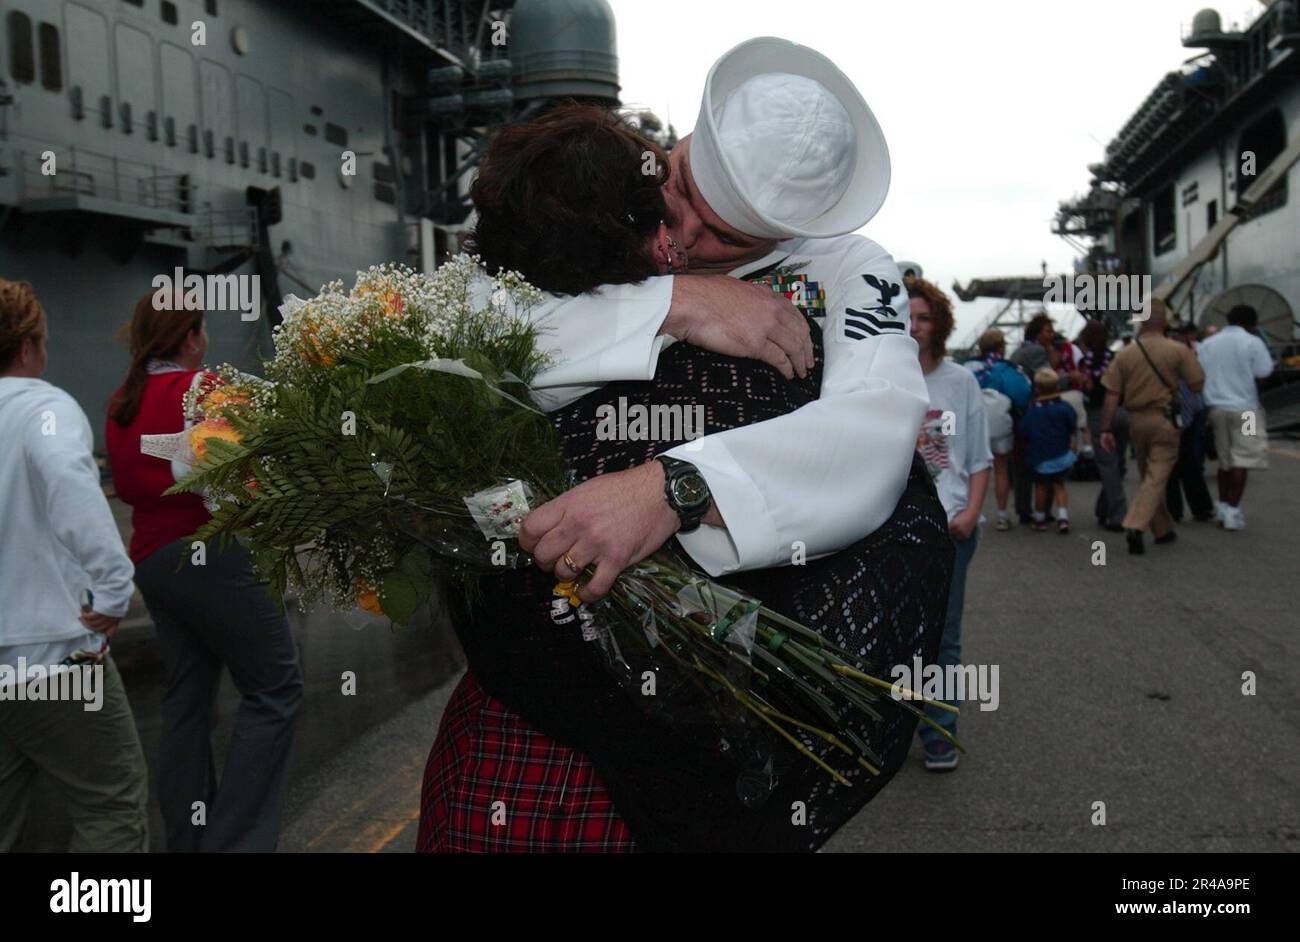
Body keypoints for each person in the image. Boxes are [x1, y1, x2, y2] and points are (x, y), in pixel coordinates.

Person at [419, 43, 949, 853]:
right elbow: (458, 337)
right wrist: (675, 305)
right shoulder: (599, 188)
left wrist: (672, 488)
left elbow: (872, 428)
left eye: (724, 235)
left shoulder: (844, 271)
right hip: (530, 683)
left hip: (703, 701)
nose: (682, 235)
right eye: (678, 189)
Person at [105, 291, 304, 852]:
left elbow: (130, 482)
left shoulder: (122, 401)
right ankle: (236, 843)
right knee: (275, 688)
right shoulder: (205, 389)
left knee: (186, 702)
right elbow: (243, 473)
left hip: (152, 559)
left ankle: (189, 840)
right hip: (210, 554)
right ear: (190, 336)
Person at [0, 279, 149, 852]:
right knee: (109, 802)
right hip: (51, 653)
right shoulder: (44, 406)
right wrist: (113, 592)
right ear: (28, 347)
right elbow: (68, 481)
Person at [909, 277, 991, 771]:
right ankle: (889, 731)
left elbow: (979, 458)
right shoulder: (883, 376)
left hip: (951, 527)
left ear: (939, 324)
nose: (914, 327)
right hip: (893, 528)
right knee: (891, 631)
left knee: (944, 637)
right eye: (907, 317)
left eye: (923, 318)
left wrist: (971, 513)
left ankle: (940, 730)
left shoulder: (960, 381)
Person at [1098, 298, 1205, 554]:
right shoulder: (1177, 350)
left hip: (1136, 421)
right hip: (1165, 419)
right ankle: (1135, 525)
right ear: (1165, 321)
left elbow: (1112, 395)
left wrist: (1105, 429)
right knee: (1157, 476)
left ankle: (1163, 529)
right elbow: (1197, 385)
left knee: (1150, 476)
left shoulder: (1125, 354)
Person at [1198, 304, 1273, 531]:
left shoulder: (1208, 344)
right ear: (1251, 323)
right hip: (1247, 411)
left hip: (1217, 410)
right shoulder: (1253, 342)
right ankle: (1233, 510)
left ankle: (1221, 505)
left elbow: (1199, 373)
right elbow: (1264, 372)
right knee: (1244, 458)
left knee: (1224, 460)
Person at [965, 327, 1030, 530]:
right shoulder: (1010, 369)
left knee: (969, 470)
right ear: (1002, 347)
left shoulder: (967, 368)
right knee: (1001, 469)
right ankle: (1002, 516)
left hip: (973, 424)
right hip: (1001, 426)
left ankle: (968, 513)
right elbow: (1023, 396)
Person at [1076, 319, 1127, 530]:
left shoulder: (1084, 364)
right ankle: (1103, 507)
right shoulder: (1115, 359)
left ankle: (1118, 515)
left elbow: (1085, 388)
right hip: (1122, 412)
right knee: (1119, 463)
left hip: (1099, 415)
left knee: (1108, 466)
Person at [1164, 322, 1215, 523]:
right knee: (1191, 462)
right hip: (1191, 412)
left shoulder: (1158, 354)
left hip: (1170, 414)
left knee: (1170, 465)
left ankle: (1174, 511)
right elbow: (1197, 385)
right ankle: (1201, 508)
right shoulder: (1188, 353)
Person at [1019, 367, 1077, 533]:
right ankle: (1063, 517)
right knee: (1060, 486)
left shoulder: (1034, 410)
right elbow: (1072, 426)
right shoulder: (1065, 407)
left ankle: (1040, 519)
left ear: (1037, 389)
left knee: (1041, 487)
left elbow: (1024, 429)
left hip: (1040, 456)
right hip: (1062, 454)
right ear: (1057, 387)